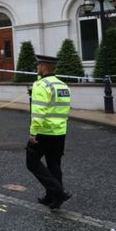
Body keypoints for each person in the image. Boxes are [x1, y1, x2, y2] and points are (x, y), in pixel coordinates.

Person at [27, 54, 72, 210]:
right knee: (54, 164)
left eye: (38, 65)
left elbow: (38, 112)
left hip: (44, 132)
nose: (37, 67)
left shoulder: (41, 85)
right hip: (60, 132)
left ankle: (58, 192)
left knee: (32, 162)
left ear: (44, 66)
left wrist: (33, 133)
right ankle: (52, 198)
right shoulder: (62, 86)